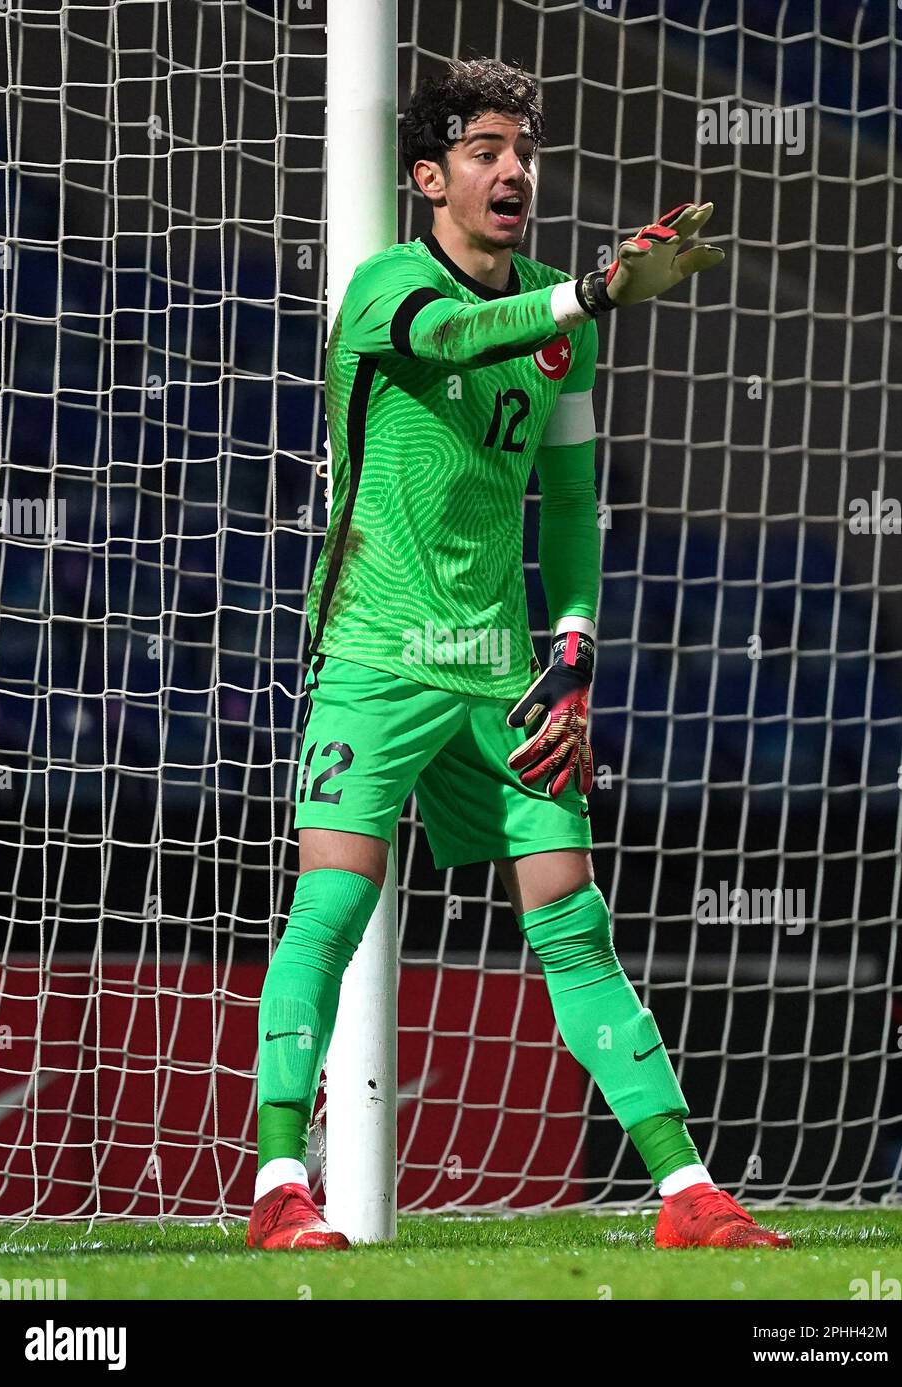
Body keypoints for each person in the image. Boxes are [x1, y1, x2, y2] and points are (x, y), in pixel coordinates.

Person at [247, 57, 789, 1252]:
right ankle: (283, 1184)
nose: (513, 173)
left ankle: (684, 1191)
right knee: (331, 907)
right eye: (486, 152)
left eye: (524, 153)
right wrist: (591, 292)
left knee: (574, 922)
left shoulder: (561, 313)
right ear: (431, 176)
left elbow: (573, 499)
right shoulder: (387, 283)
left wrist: (577, 642)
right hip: (376, 657)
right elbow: (453, 339)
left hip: (503, 671)